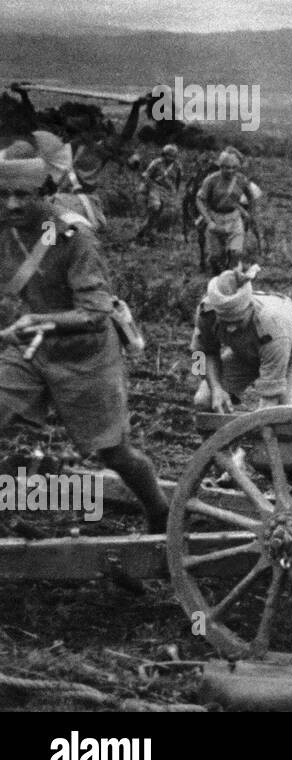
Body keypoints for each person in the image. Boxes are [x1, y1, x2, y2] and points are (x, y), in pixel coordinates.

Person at [0, 143, 170, 532]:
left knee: (114, 453)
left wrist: (34, 320)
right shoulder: (4, 229)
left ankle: (161, 513)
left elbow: (94, 314)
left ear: (44, 192)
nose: (11, 205)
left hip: (86, 353)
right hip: (35, 349)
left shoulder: (74, 237)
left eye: (22, 195)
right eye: (4, 195)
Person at [191, 269, 292, 412]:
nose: (231, 329)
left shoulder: (272, 323)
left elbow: (269, 399)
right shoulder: (206, 312)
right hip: (246, 352)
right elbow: (201, 353)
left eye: (238, 321)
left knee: (288, 413)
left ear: (250, 308)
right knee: (203, 401)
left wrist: (262, 426)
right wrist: (216, 389)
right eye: (226, 322)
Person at [196, 149, 255, 275]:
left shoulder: (241, 180)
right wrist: (208, 221)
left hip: (234, 218)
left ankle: (230, 276)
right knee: (215, 257)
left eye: (234, 167)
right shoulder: (211, 180)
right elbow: (200, 199)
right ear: (220, 166)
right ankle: (217, 275)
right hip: (215, 218)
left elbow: (251, 196)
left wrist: (250, 214)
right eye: (227, 167)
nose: (230, 171)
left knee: (236, 253)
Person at [137, 144, 183, 241]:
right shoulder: (157, 163)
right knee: (155, 206)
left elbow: (178, 180)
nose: (170, 158)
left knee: (158, 213)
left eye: (172, 156)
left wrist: (174, 192)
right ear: (164, 155)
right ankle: (146, 230)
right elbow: (146, 175)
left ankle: (145, 231)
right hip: (153, 187)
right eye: (168, 155)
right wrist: (150, 186)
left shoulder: (177, 166)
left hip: (166, 190)